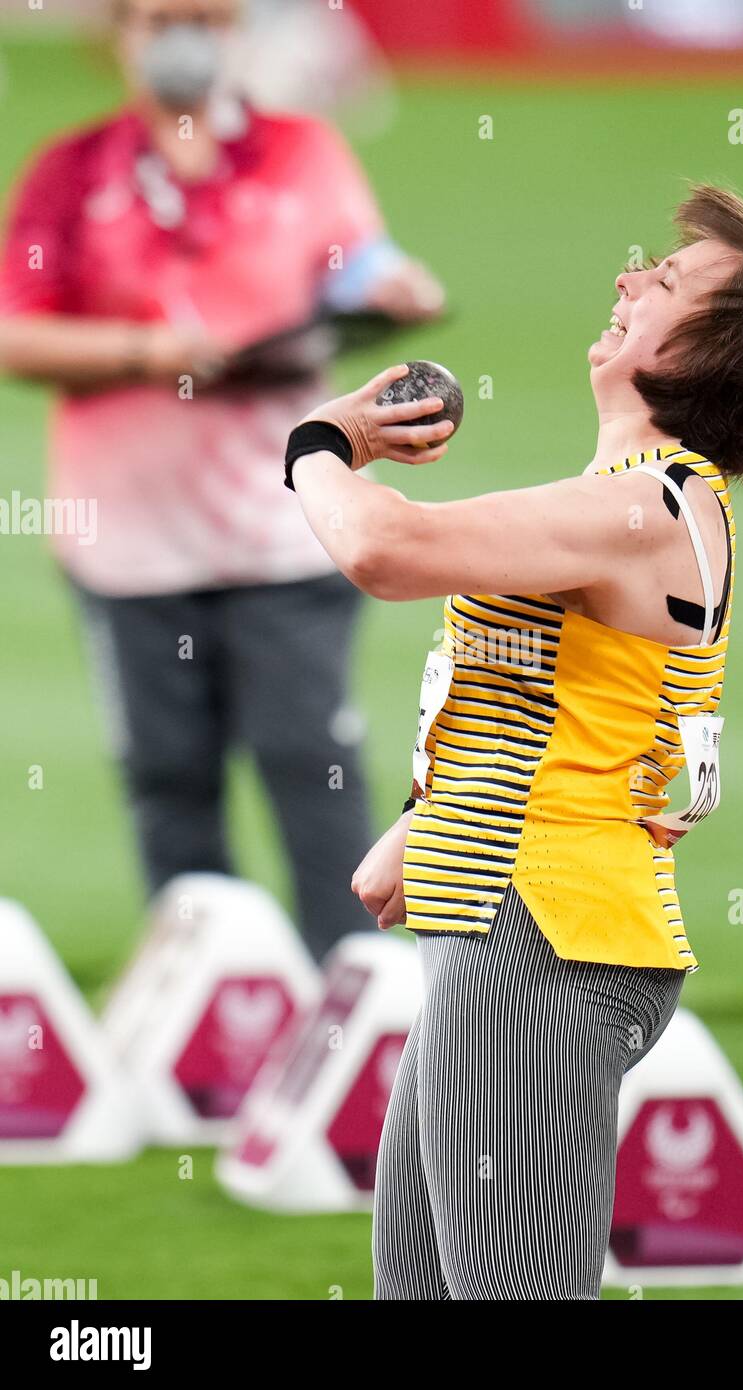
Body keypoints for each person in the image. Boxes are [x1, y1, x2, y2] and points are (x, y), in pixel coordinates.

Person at [285, 186, 743, 1299]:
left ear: (701, 353)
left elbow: (383, 550)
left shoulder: (648, 505)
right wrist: (422, 823)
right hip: (497, 925)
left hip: (537, 937)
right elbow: (597, 705)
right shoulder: (638, 501)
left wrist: (317, 444)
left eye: (667, 283)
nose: (627, 280)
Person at [0, 0, 444, 962]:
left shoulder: (302, 152)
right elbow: (16, 329)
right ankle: (207, 1009)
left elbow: (358, 263)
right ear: (118, 34)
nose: (185, 39)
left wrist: (396, 290)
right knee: (168, 778)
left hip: (287, 526)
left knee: (311, 763)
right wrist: (145, 350)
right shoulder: (71, 174)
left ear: (240, 33)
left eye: (205, 17)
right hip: (129, 540)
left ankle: (355, 999)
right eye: (162, 19)